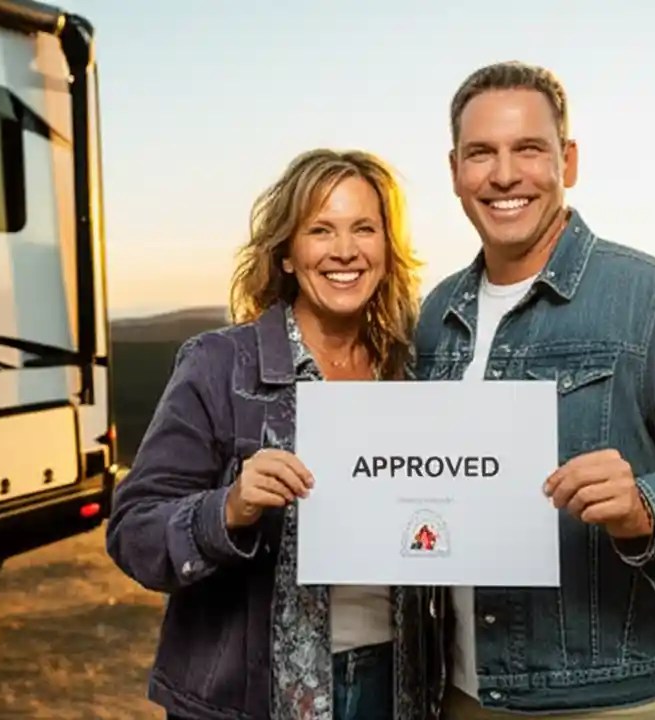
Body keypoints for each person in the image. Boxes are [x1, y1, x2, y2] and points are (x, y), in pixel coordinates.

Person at [412, 61, 655, 719]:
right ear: (455, 171)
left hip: (609, 699)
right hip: (459, 694)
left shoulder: (654, 300)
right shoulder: (438, 313)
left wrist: (649, 507)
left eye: (528, 149)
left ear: (569, 160)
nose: (503, 175)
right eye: (481, 153)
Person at [106, 148, 434, 720]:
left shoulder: (411, 372)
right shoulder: (217, 365)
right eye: (320, 230)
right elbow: (134, 532)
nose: (345, 250)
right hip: (245, 700)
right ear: (286, 253)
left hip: (392, 685)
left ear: (387, 249)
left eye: (364, 228)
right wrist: (229, 509)